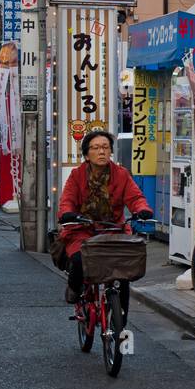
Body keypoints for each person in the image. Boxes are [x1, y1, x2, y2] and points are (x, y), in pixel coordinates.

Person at [57, 130, 153, 320]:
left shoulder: (121, 174)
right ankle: (75, 289)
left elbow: (135, 197)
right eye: (95, 148)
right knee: (78, 259)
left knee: (122, 275)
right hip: (82, 229)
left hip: (113, 228)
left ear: (110, 152)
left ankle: (121, 323)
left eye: (105, 147)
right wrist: (67, 214)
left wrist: (142, 210)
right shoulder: (77, 176)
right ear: (86, 154)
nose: (101, 152)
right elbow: (67, 199)